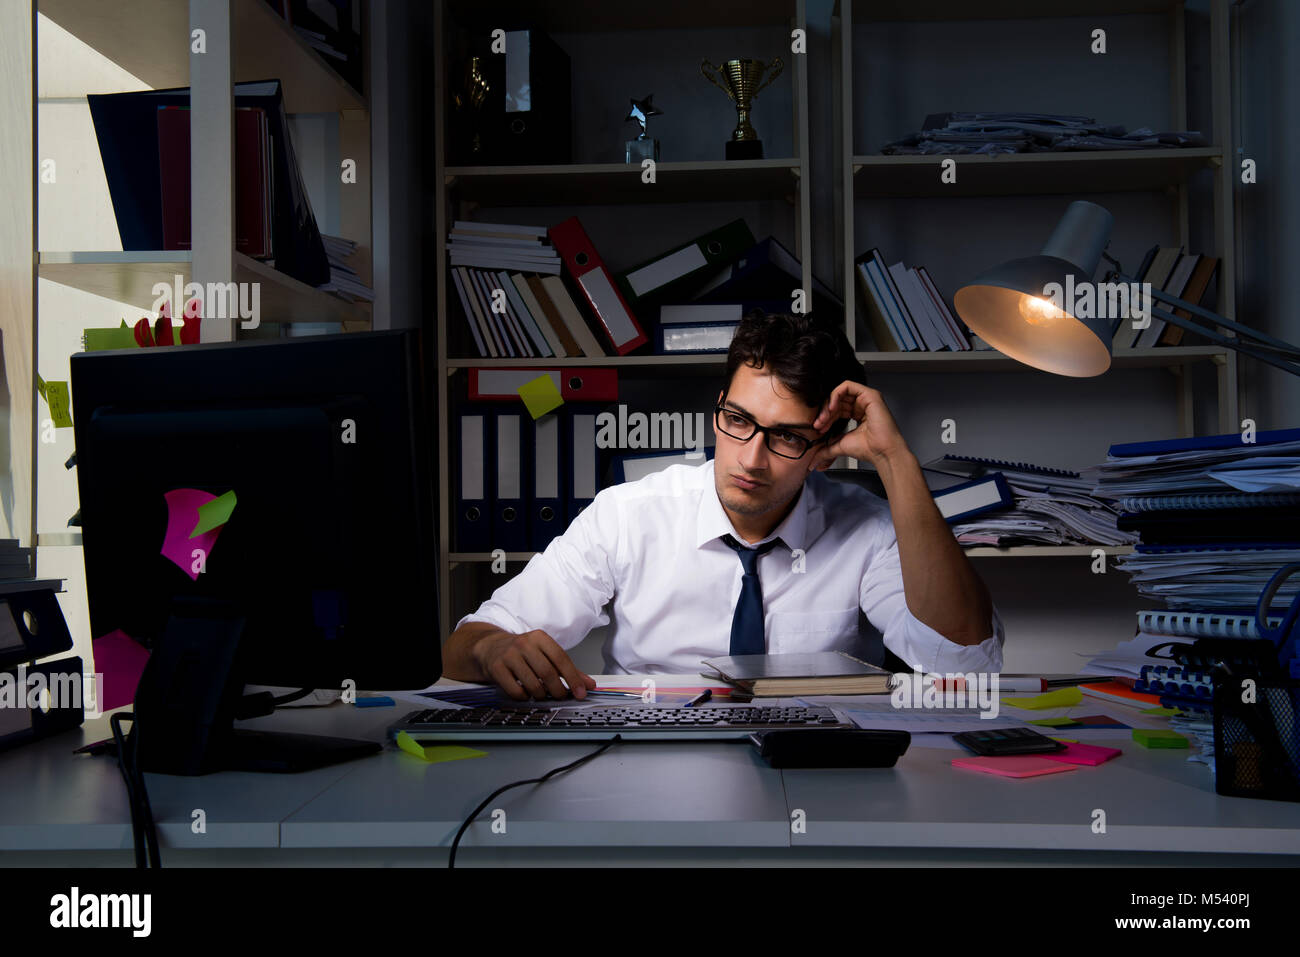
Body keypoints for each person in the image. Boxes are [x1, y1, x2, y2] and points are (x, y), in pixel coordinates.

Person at [444, 310, 1003, 701]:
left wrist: (895, 459)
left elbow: (964, 663)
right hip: (645, 766)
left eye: (786, 437)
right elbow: (464, 649)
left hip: (811, 772)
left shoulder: (865, 528)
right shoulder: (627, 516)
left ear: (824, 448)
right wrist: (495, 650)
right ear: (719, 410)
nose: (751, 459)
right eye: (738, 421)